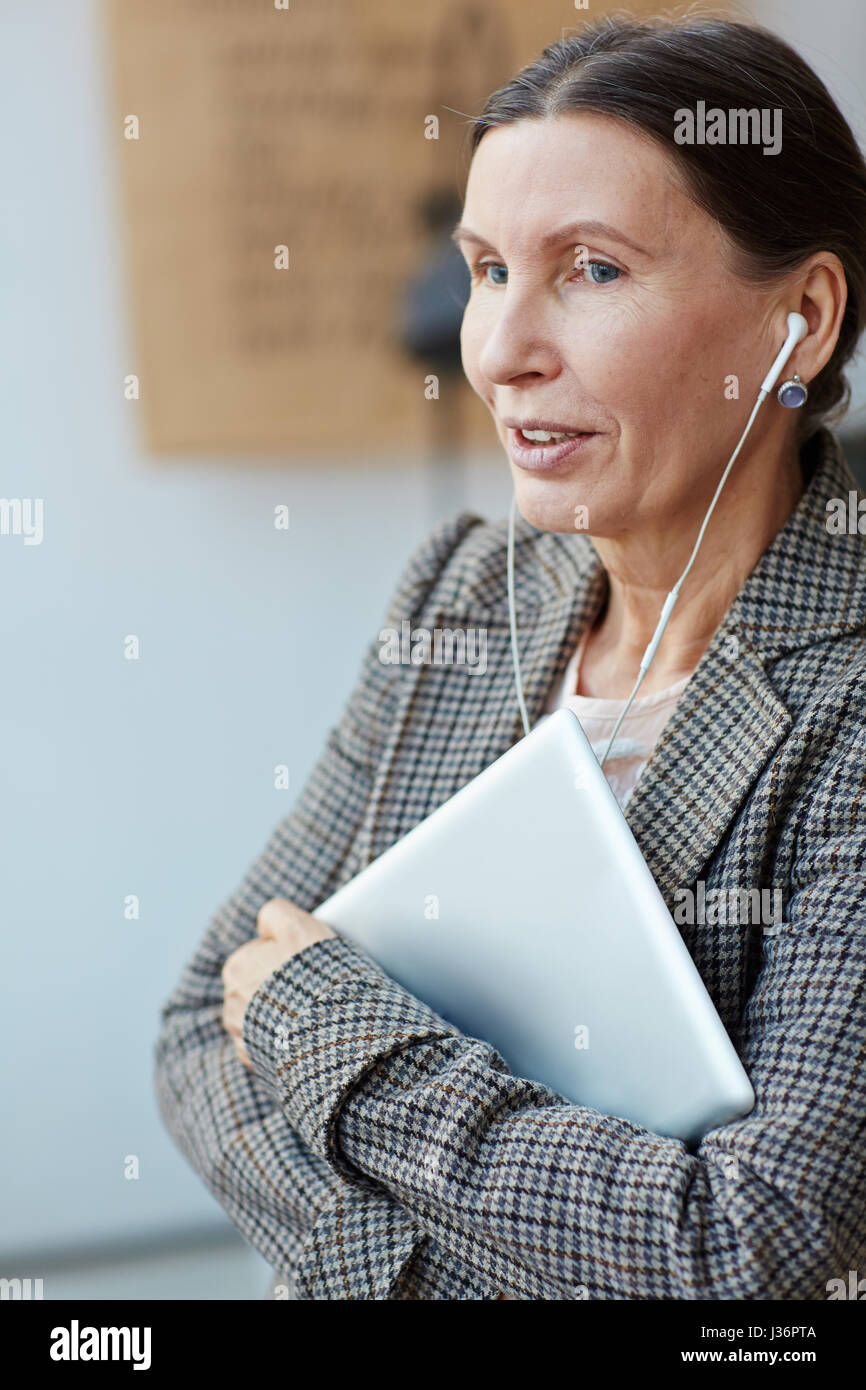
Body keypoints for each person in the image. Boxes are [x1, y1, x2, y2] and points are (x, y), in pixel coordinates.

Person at [155, 14, 866, 1299]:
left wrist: (333, 1032)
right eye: (485, 269)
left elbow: (749, 1250)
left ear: (797, 322)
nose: (496, 352)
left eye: (588, 270)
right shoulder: (464, 590)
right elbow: (200, 1023)